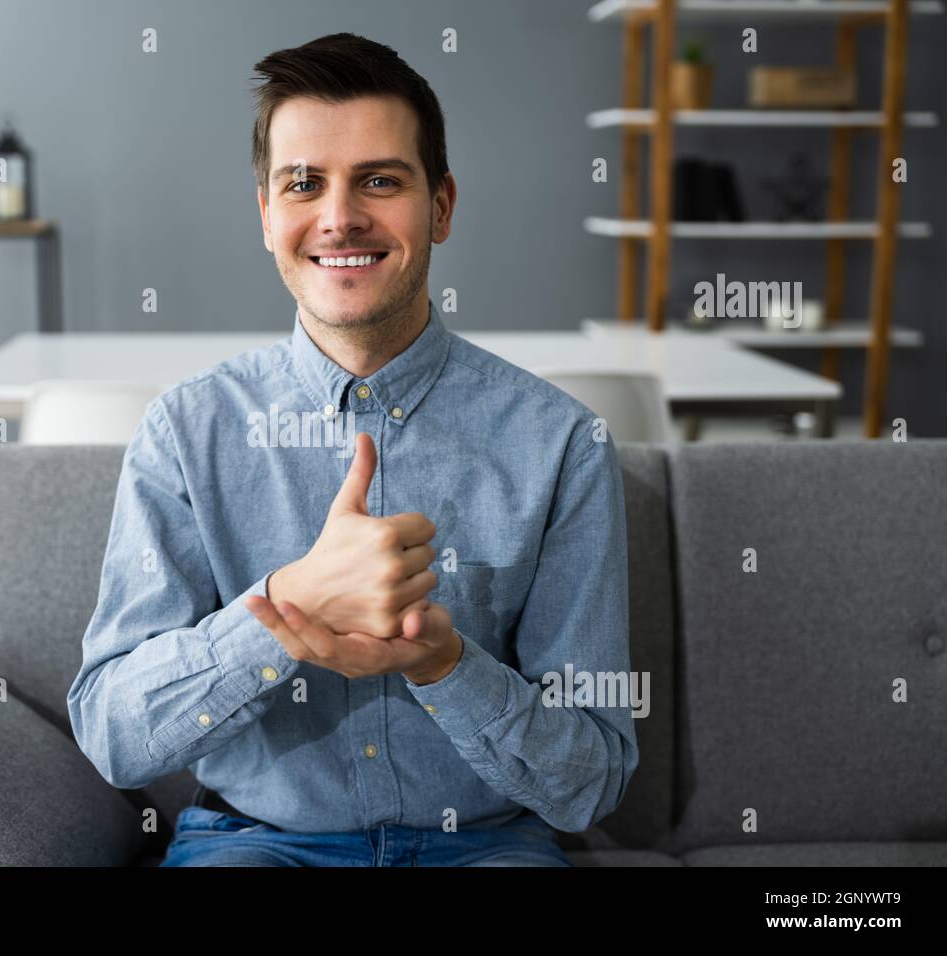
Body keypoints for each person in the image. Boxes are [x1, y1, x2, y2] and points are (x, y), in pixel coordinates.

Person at [67, 32, 637, 867]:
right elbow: (115, 734)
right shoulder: (185, 434)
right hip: (254, 845)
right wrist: (287, 614)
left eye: (380, 179)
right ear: (267, 213)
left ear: (441, 206)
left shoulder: (561, 445)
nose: (340, 216)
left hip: (486, 848)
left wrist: (445, 663)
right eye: (304, 184)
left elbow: (592, 781)